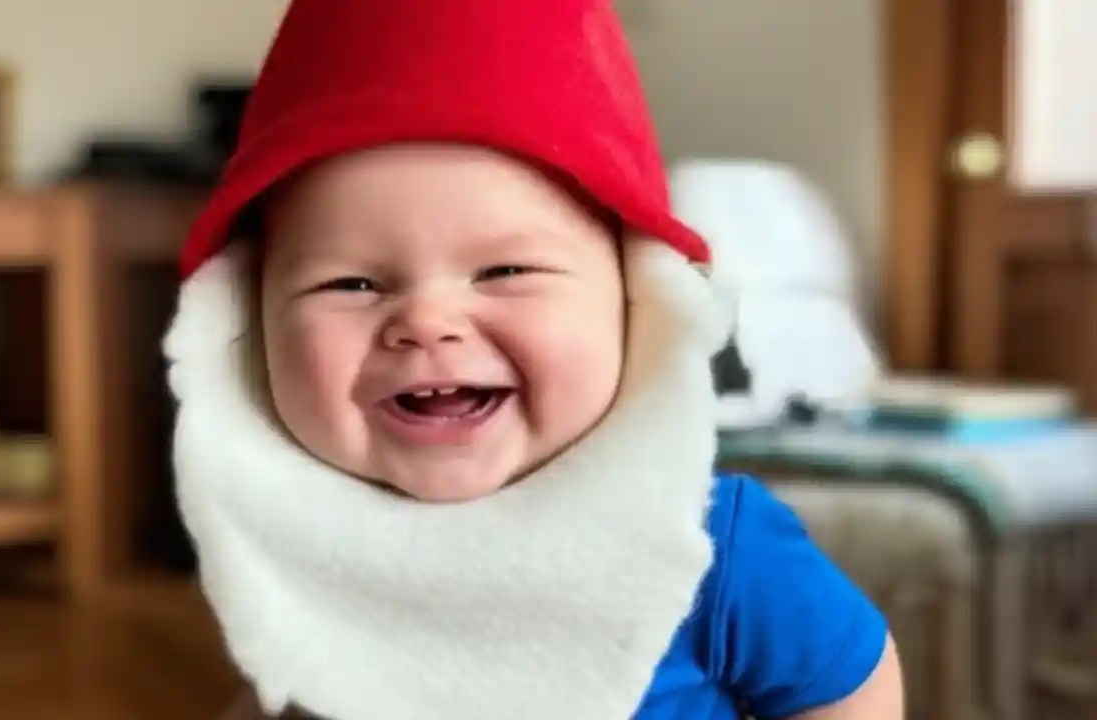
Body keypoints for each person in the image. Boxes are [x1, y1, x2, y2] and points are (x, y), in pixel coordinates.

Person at [164, 0, 904, 718]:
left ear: (635, 298)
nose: (426, 321)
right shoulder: (293, 547)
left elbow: (851, 683)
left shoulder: (708, 542)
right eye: (350, 283)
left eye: (504, 271)